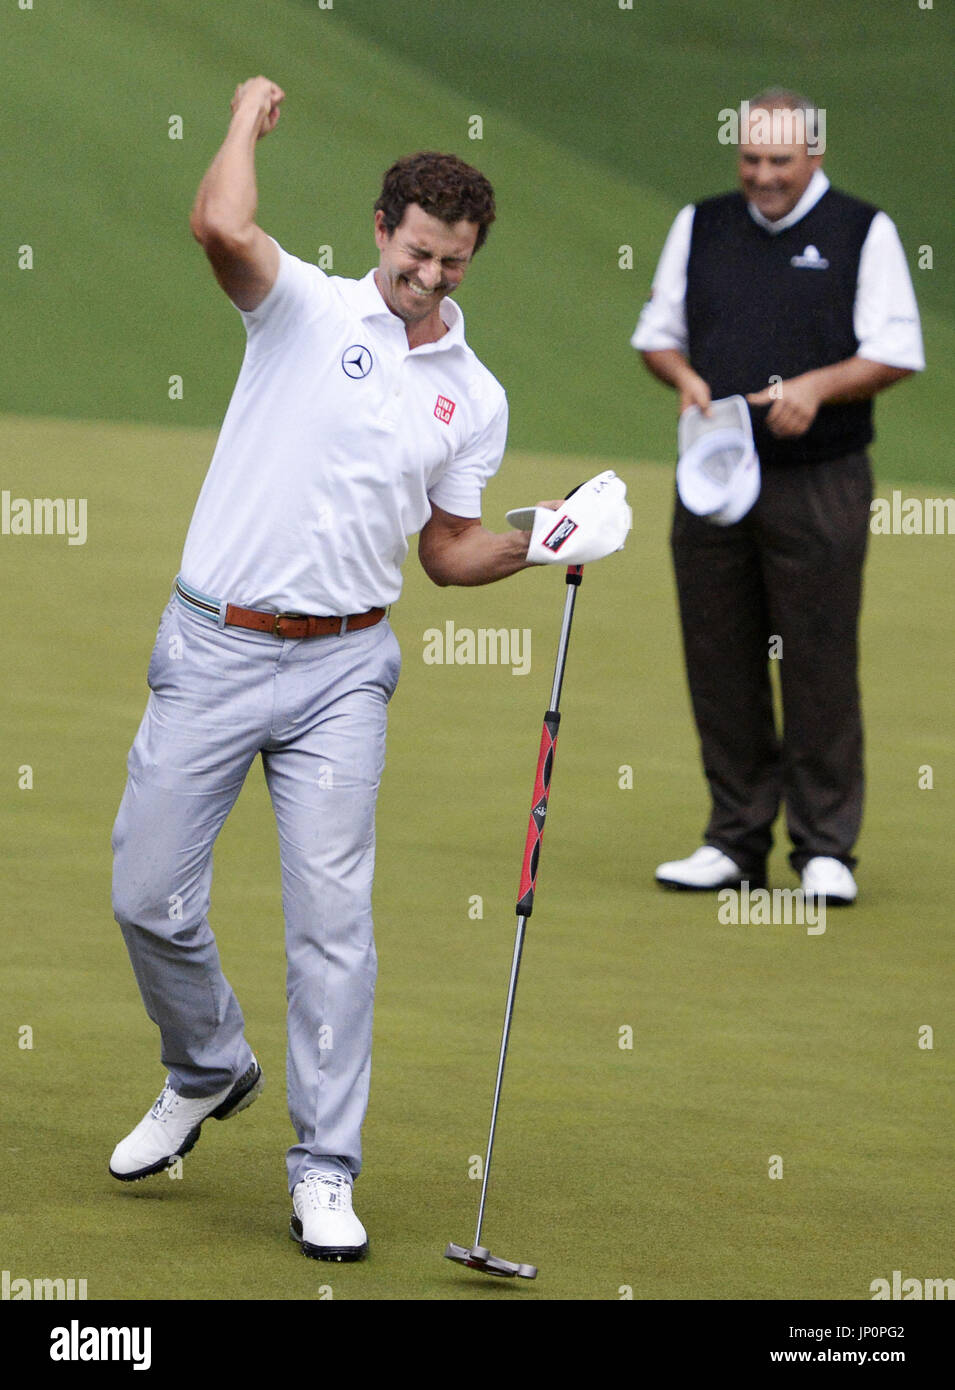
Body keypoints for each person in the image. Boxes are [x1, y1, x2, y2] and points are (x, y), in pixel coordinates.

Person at [108, 75, 539, 1264]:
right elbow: (220, 226)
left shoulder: (474, 393)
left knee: (333, 925)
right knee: (147, 895)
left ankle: (325, 1168)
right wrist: (244, 112)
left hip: (346, 670)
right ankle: (207, 1067)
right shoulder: (301, 306)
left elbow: (448, 553)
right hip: (213, 642)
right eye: (417, 253)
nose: (433, 278)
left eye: (454, 262)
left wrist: (537, 541)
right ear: (380, 234)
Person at [631, 88, 924, 904]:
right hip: (713, 473)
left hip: (818, 476)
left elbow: (896, 349)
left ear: (814, 156)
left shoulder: (862, 231)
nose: (762, 177)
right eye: (750, 159)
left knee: (817, 656)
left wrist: (819, 388)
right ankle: (733, 840)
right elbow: (658, 333)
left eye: (779, 162)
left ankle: (825, 847)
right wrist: (685, 378)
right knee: (718, 654)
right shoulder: (702, 223)